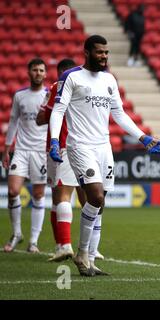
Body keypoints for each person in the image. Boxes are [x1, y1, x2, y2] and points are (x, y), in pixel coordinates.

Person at [49, 35, 160, 276]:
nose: (104, 56)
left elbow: (120, 115)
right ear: (87, 52)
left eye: (106, 52)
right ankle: (81, 254)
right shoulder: (71, 77)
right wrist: (52, 140)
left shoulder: (109, 79)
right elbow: (58, 110)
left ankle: (90, 259)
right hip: (80, 145)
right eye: (99, 52)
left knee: (100, 204)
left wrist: (142, 137)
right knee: (96, 195)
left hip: (104, 147)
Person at [36, 58, 88, 262]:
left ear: (60, 73)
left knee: (60, 196)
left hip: (60, 147)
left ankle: (63, 245)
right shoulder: (87, 87)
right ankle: (91, 249)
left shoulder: (57, 87)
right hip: (85, 147)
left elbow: (41, 119)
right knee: (88, 196)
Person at [2, 58, 48, 253]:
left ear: (45, 74)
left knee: (38, 194)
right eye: (35, 70)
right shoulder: (20, 96)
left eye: (41, 70)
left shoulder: (49, 96)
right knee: (13, 191)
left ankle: (34, 241)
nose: (38, 73)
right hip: (20, 150)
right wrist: (6, 150)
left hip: (41, 151)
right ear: (28, 73)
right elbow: (13, 122)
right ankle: (16, 234)